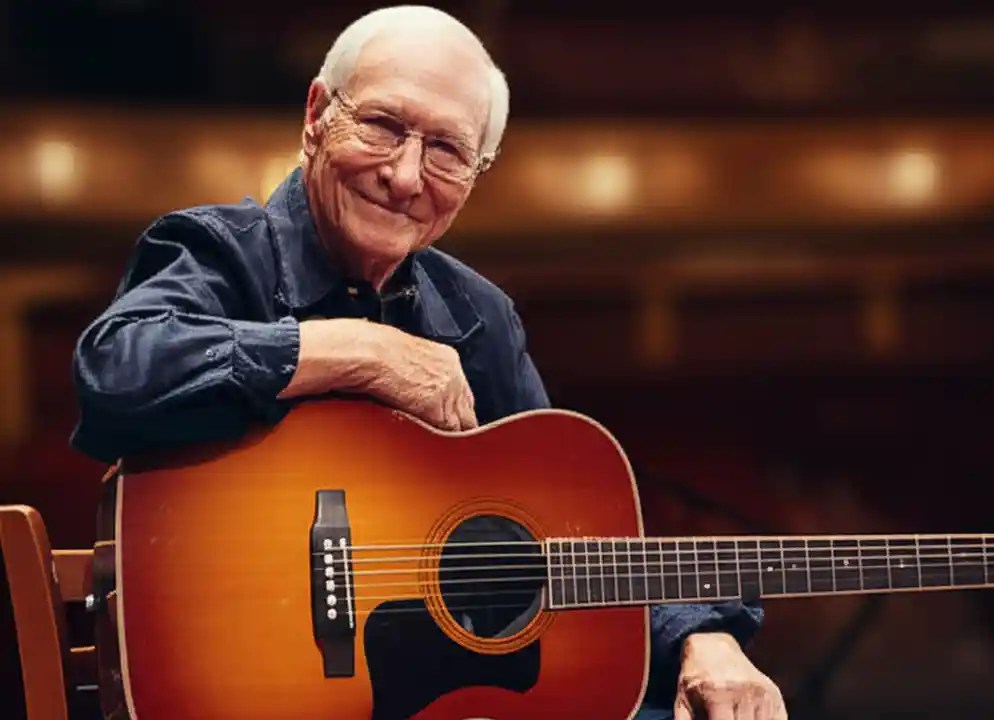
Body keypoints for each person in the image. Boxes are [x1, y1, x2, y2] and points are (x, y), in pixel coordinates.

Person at [69, 6, 786, 720]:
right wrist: (359, 351)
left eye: (446, 150)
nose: (406, 177)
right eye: (382, 126)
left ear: (477, 173)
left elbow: (567, 533)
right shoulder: (220, 252)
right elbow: (114, 373)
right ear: (316, 115)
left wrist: (702, 635)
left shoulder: (477, 316)